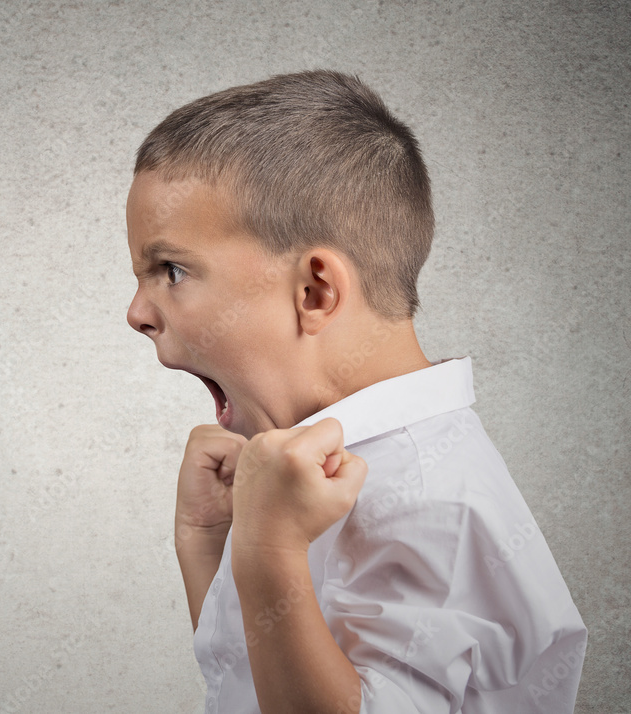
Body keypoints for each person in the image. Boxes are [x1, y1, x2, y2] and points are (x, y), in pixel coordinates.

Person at [124, 71, 586, 713]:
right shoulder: (300, 475)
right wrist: (210, 539)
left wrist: (266, 553)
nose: (137, 312)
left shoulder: (433, 505)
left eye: (171, 270)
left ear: (314, 292)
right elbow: (254, 688)